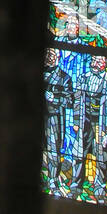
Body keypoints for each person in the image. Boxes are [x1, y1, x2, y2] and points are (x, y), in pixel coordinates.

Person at [72, 55, 107, 200]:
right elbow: (77, 100)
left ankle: (99, 189)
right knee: (78, 153)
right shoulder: (83, 78)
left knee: (102, 157)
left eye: (99, 61)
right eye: (93, 60)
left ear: (105, 63)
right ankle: (75, 186)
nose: (94, 63)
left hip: (101, 125)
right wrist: (76, 121)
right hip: (84, 122)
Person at [43, 48, 74, 194]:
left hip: (54, 119)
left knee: (53, 151)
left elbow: (69, 101)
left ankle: (53, 181)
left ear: (58, 57)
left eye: (52, 54)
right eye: (47, 53)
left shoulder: (64, 77)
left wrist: (53, 98)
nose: (49, 57)